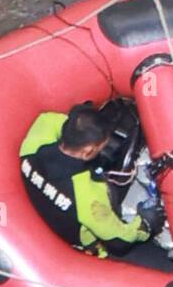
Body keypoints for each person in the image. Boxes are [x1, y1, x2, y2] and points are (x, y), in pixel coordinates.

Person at [20, 103, 156, 256]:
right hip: (78, 242)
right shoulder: (89, 195)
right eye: (101, 147)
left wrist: (86, 124)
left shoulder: (32, 147)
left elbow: (52, 120)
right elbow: (119, 241)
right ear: (88, 151)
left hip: (44, 212)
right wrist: (146, 223)